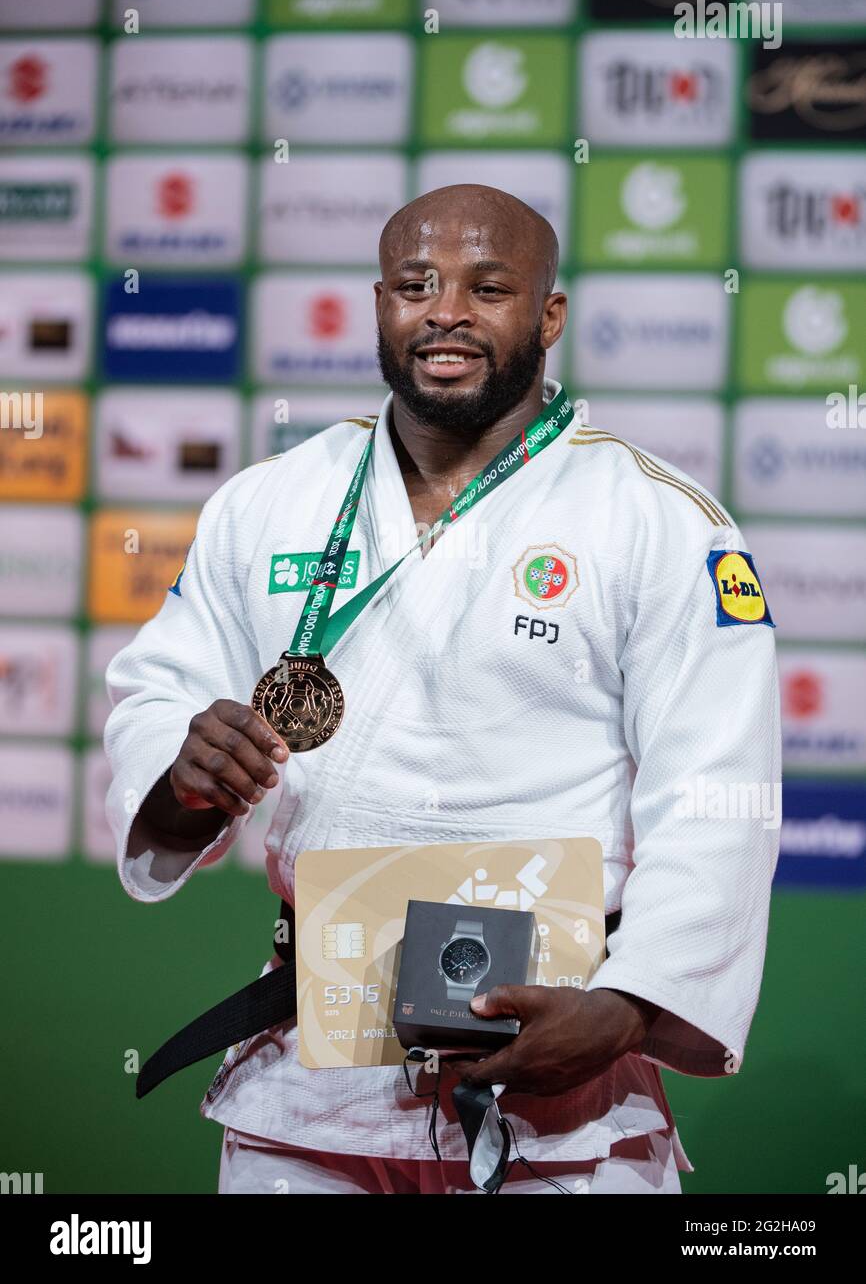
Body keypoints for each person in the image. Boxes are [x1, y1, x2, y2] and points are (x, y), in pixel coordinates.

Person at [104, 184, 781, 1195]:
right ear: (379, 301)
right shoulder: (271, 500)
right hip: (310, 1084)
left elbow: (713, 796)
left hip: (561, 1081)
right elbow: (160, 693)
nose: (445, 310)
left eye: (487, 286)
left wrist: (631, 1004)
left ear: (547, 317)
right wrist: (179, 768)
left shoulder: (657, 520)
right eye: (414, 284)